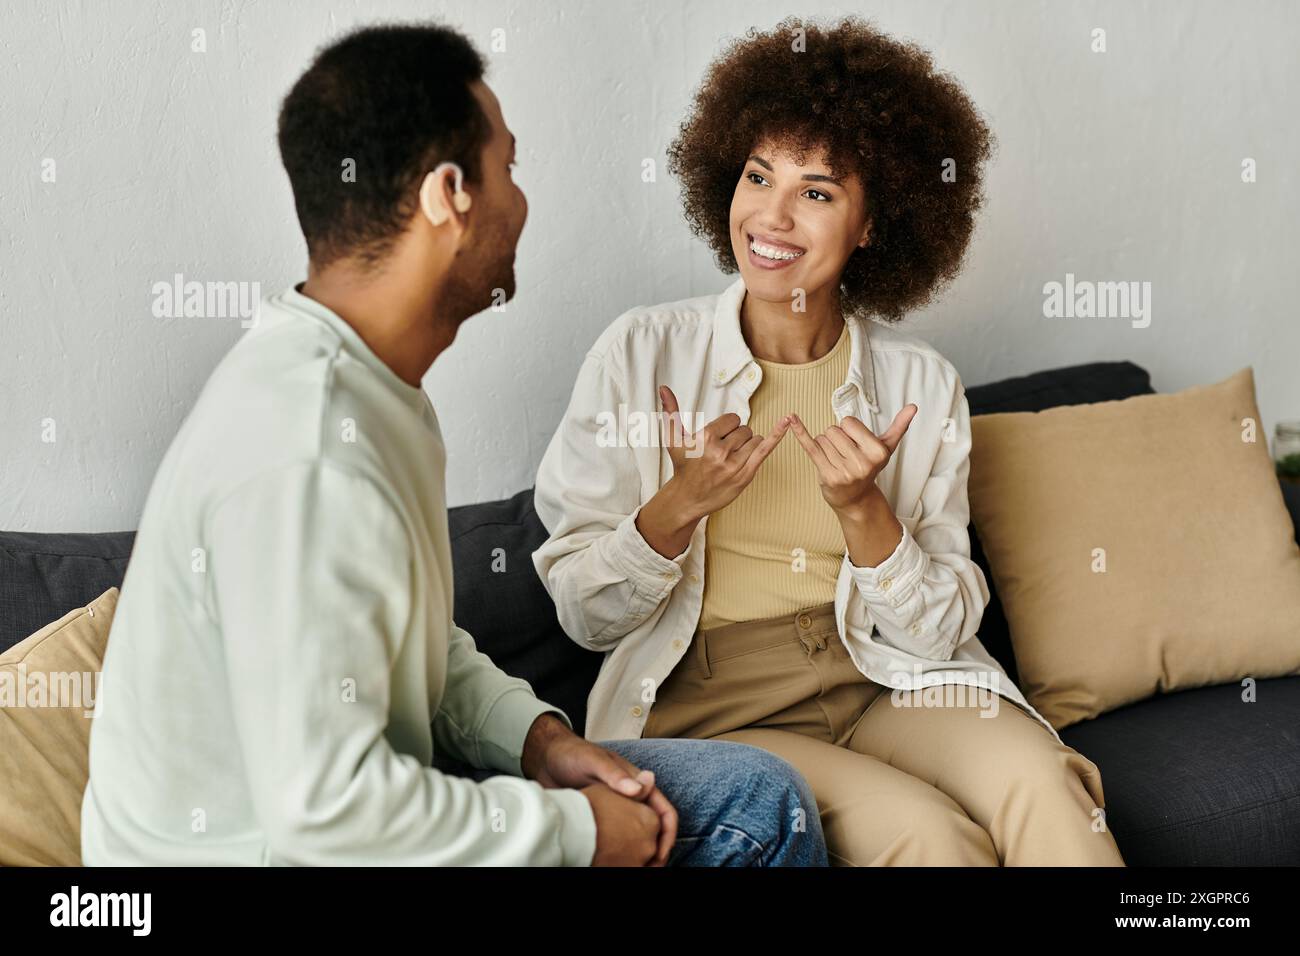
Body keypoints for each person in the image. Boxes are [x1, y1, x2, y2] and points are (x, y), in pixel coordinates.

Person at [80, 22, 826, 868]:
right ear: (447, 196)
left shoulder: (373, 389)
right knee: (758, 821)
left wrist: (539, 740)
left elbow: (416, 644)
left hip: (352, 808)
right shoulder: (309, 451)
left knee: (754, 796)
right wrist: (576, 836)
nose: (521, 201)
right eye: (507, 167)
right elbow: (325, 814)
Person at [532, 15, 1126, 866]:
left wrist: (865, 515)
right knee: (930, 838)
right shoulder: (640, 353)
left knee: (1044, 779)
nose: (770, 216)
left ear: (873, 224)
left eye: (816, 191)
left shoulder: (921, 385)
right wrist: (679, 503)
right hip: (713, 707)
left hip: (881, 674)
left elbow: (936, 632)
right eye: (757, 175)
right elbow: (585, 618)